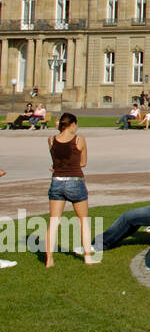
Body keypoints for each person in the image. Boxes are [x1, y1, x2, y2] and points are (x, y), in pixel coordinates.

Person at [45, 114, 96, 267]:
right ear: (72, 124)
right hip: (75, 180)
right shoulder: (79, 140)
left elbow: (56, 162)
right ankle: (87, 257)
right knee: (83, 220)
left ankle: (49, 259)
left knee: (54, 222)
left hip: (57, 181)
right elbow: (83, 162)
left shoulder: (51, 139)